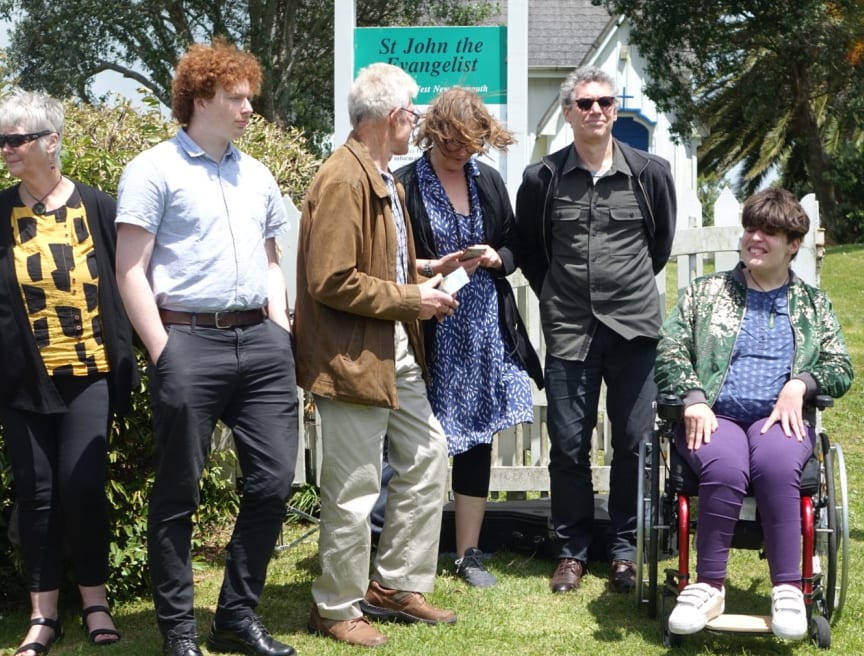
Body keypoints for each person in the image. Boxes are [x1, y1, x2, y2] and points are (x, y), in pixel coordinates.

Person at [115, 39, 298, 656]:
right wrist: (166, 352)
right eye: (237, 98)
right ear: (200, 100)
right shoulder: (152, 169)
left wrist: (280, 329)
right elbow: (129, 271)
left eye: (251, 97)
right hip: (188, 339)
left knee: (273, 483)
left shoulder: (258, 173)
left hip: (262, 344)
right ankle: (178, 633)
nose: (249, 108)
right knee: (179, 492)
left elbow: (272, 260)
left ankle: (236, 618)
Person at [294, 62, 460, 648]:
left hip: (391, 348)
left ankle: (393, 584)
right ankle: (334, 605)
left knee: (426, 456)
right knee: (355, 486)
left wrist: (423, 270)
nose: (415, 125)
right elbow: (331, 279)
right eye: (412, 116)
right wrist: (413, 297)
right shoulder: (344, 179)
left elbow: (373, 263)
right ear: (392, 117)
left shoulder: (380, 174)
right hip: (351, 357)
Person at [0, 89, 138, 656]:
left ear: (52, 141)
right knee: (36, 494)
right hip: (23, 379)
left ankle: (95, 602)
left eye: (16, 139)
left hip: (89, 372)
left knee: (84, 487)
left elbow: (126, 285)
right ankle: (42, 616)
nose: (6, 149)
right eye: (1, 140)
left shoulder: (101, 207)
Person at [656, 188, 853, 640]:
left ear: (793, 245)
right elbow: (668, 351)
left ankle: (788, 587)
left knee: (778, 463)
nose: (756, 238)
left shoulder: (812, 306)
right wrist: (693, 397)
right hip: (714, 417)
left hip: (777, 422)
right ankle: (708, 586)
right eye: (751, 228)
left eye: (770, 232)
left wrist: (801, 384)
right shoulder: (705, 294)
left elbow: (840, 366)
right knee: (724, 464)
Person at [515, 65, 677, 594]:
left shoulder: (650, 173)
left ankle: (626, 551)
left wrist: (621, 292)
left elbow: (659, 248)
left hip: (634, 330)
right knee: (567, 446)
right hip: (569, 330)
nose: (596, 111)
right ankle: (572, 552)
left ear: (615, 108)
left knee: (633, 443)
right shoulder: (542, 179)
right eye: (584, 103)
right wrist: (561, 298)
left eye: (605, 102)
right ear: (567, 112)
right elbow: (535, 254)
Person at [394, 86, 543, 588]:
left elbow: (514, 243)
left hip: (483, 327)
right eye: (453, 145)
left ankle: (468, 554)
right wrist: (432, 269)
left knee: (477, 441)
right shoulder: (403, 184)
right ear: (433, 134)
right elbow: (390, 261)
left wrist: (498, 258)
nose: (462, 154)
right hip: (428, 328)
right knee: (423, 444)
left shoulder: (490, 181)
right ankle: (410, 548)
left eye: (471, 146)